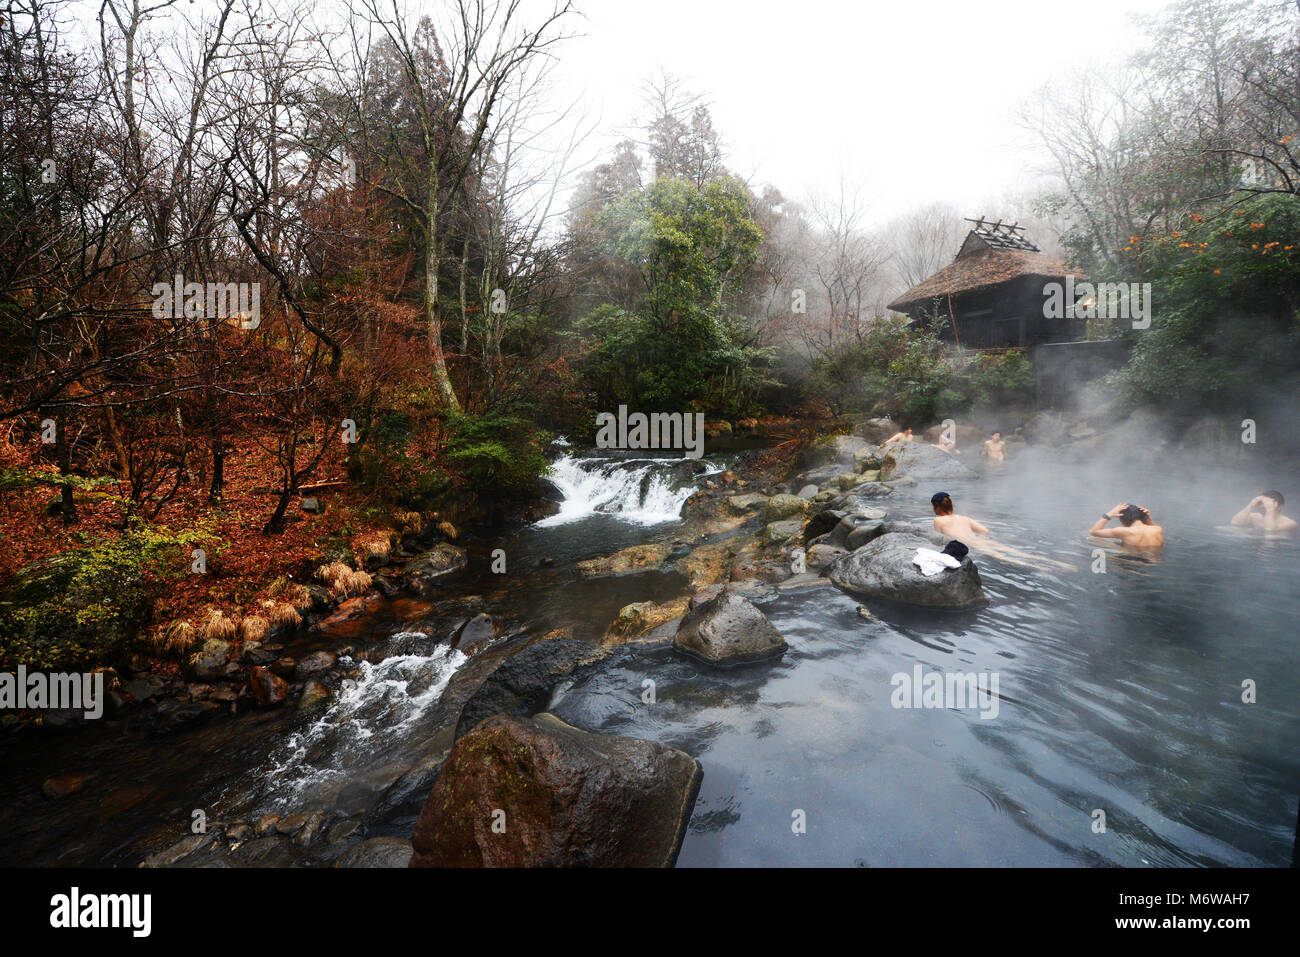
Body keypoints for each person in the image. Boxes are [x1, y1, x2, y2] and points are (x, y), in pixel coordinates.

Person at [931, 492, 1075, 570]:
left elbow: (938, 540)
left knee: (1001, 556)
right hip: (978, 539)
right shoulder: (964, 517)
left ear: (937, 507)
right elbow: (985, 531)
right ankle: (1061, 564)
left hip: (968, 543)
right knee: (1017, 552)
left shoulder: (938, 520)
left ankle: (1037, 567)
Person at [1089, 503, 1164, 549]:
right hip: (1154, 561)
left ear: (1122, 520)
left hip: (1129, 561)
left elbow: (1093, 531)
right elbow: (1149, 527)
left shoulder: (1123, 531)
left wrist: (1109, 514)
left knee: (1093, 539)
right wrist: (1148, 518)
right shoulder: (1158, 529)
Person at [1230, 491, 1297, 533]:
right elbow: (1235, 523)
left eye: (1266, 503)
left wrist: (1270, 510)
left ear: (1280, 506)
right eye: (1260, 503)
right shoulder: (1254, 517)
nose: (1262, 506)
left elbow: (1269, 531)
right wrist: (1250, 505)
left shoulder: (1290, 523)